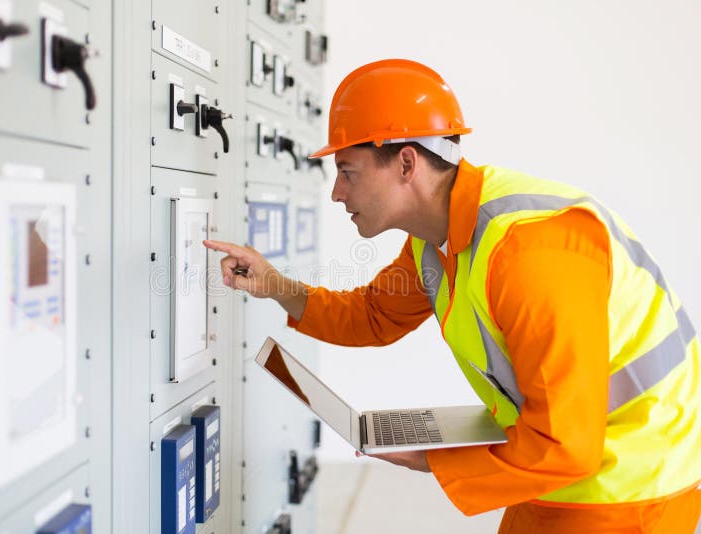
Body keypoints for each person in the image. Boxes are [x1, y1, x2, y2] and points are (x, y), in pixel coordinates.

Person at [203, 59, 701, 533]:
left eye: (348, 171)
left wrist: (432, 458)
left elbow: (568, 445)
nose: (336, 193)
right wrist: (275, 286)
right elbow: (373, 316)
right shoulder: (432, 240)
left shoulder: (530, 251)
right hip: (562, 460)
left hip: (634, 482)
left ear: (405, 163)